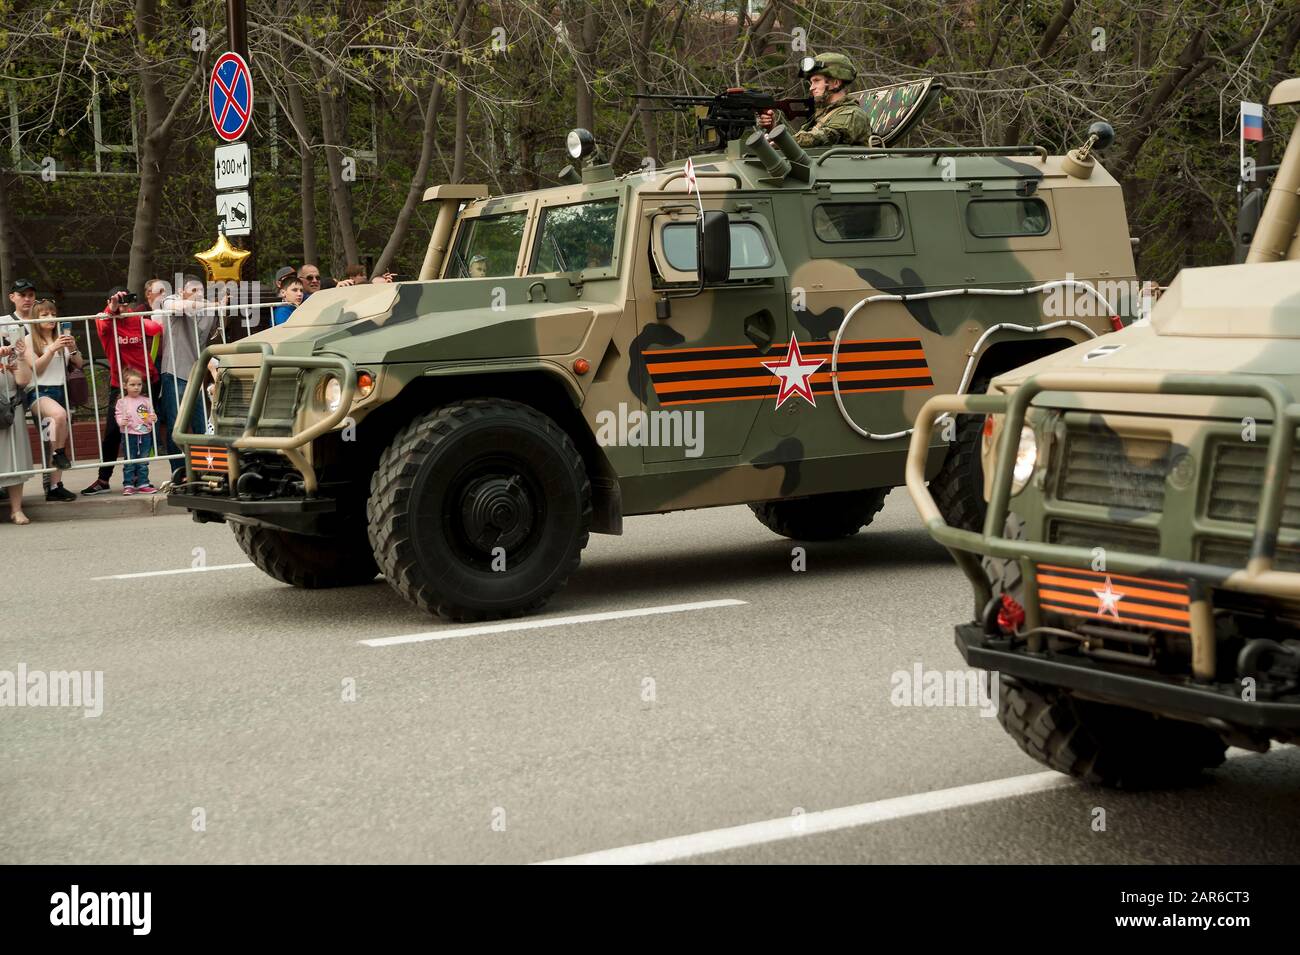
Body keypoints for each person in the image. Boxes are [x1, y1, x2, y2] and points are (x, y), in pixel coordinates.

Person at [81, 286, 163, 495]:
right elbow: (103, 326)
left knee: (143, 431)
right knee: (112, 433)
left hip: (146, 381)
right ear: (110, 301)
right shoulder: (104, 318)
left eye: (128, 301)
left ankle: (139, 477)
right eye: (120, 301)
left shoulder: (136, 318)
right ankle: (103, 479)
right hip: (121, 385)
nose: (124, 305)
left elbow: (156, 328)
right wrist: (113, 309)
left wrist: (153, 309)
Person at [24, 299, 83, 501]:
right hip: (40, 392)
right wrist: (51, 349)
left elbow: (79, 363)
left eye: (52, 314)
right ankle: (59, 455)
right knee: (59, 416)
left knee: (55, 441)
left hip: (61, 391)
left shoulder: (62, 337)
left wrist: (72, 347)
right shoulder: (29, 340)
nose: (50, 318)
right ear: (36, 319)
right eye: (44, 315)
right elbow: (36, 368)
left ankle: (55, 487)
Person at [157, 275, 220, 464]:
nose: (198, 294)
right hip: (173, 371)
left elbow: (211, 337)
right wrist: (211, 304)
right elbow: (179, 307)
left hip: (195, 373)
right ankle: (179, 471)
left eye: (201, 290)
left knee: (200, 425)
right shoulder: (171, 300)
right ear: (180, 292)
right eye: (193, 290)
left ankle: (203, 467)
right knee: (176, 426)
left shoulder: (208, 311)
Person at [757, 52, 873, 148]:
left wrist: (782, 140)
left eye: (817, 81)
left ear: (835, 83)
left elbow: (825, 137)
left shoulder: (853, 114)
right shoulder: (822, 115)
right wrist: (773, 129)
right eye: (811, 82)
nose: (812, 88)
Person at [0, 331, 33, 524]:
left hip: (10, 408)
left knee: (15, 459)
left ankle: (16, 509)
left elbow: (23, 380)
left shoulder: (9, 346)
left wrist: (19, 356)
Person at [115, 367, 156, 495]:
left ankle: (143, 483)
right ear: (125, 386)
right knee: (130, 461)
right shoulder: (122, 401)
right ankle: (128, 484)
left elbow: (150, 415)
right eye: (132, 384)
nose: (136, 387)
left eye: (139, 384)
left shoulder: (146, 400)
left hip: (145, 434)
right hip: (129, 435)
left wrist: (153, 418)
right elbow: (118, 415)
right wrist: (121, 421)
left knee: (143, 461)